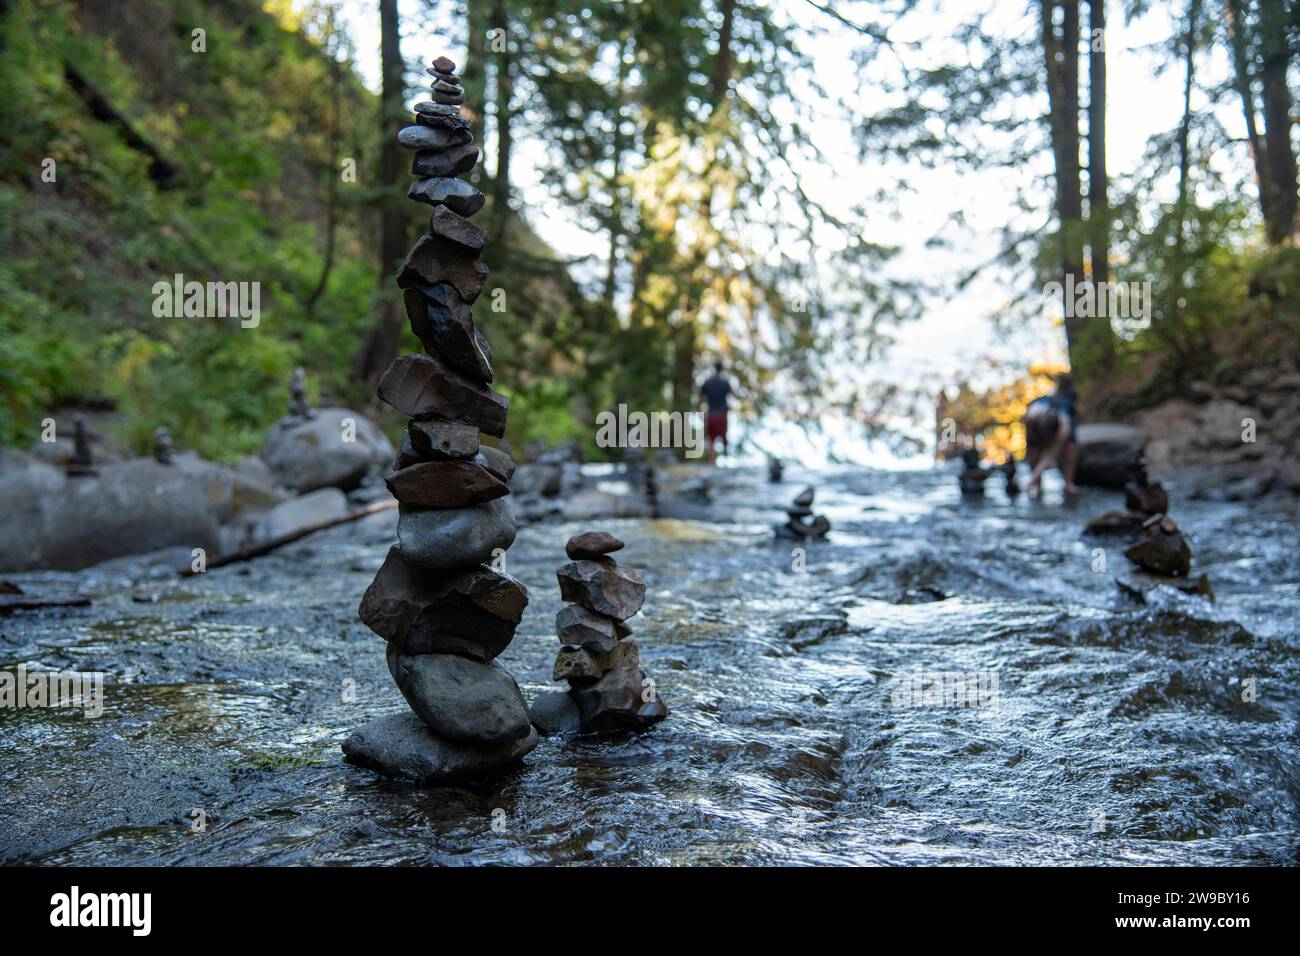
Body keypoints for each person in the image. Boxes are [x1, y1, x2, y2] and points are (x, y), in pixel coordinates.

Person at [1023, 376, 1080, 498]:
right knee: (1033, 452)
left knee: (1070, 448)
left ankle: (1068, 483)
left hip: (1060, 421)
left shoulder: (1065, 425)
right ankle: (1037, 485)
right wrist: (1033, 480)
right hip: (1035, 426)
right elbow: (1031, 443)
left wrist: (1030, 480)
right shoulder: (1031, 416)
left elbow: (1050, 456)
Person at [700, 361, 732, 463]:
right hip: (722, 414)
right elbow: (734, 395)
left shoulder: (708, 382)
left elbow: (701, 398)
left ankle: (712, 462)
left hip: (712, 414)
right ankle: (726, 460)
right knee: (724, 437)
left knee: (711, 439)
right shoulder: (725, 383)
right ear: (721, 369)